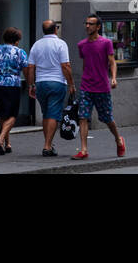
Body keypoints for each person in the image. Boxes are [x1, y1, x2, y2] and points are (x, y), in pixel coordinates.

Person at [73, 15, 123, 159]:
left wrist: (113, 78)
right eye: (86, 23)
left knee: (107, 118)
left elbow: (112, 62)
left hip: (102, 87)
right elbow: (86, 63)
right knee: (83, 117)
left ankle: (118, 139)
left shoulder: (106, 43)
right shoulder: (81, 45)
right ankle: (83, 150)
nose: (87, 26)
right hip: (86, 86)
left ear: (98, 27)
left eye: (91, 24)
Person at [27, 20, 74, 156]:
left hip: (41, 83)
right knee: (53, 114)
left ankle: (48, 143)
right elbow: (65, 65)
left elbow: (31, 67)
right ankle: (47, 146)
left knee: (46, 114)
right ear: (55, 29)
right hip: (57, 82)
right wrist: (71, 84)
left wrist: (31, 85)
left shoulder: (36, 45)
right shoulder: (60, 44)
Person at [0, 27, 30, 155]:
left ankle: (7, 144)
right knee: (12, 116)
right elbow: (25, 68)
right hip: (12, 86)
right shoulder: (19, 52)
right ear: (16, 41)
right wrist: (29, 83)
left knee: (2, 114)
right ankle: (0, 138)